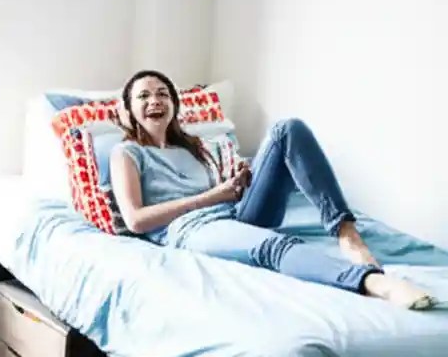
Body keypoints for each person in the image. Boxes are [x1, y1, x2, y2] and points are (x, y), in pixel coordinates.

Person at [108, 69, 436, 310]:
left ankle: (347, 233)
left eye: (163, 94)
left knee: (287, 129)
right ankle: (372, 282)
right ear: (129, 109)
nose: (155, 100)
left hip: (231, 213)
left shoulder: (193, 148)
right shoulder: (127, 152)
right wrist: (211, 197)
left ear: (174, 104)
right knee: (273, 246)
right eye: (144, 96)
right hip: (190, 229)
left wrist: (236, 183)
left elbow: (218, 194)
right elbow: (136, 220)